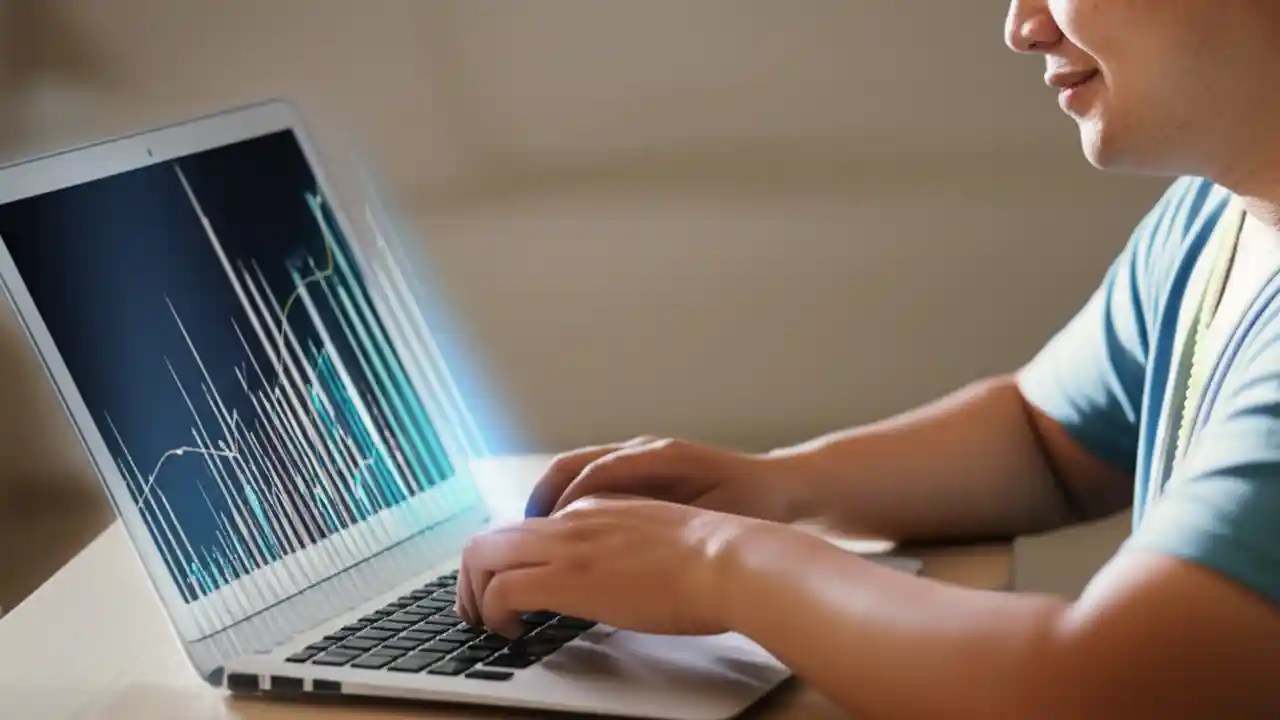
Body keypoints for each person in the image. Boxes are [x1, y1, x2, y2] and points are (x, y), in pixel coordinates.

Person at [456, 1, 1280, 717]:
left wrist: (722, 564)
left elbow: (1096, 691)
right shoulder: (1218, 216)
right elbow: (1044, 439)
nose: (1021, 28)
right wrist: (776, 487)